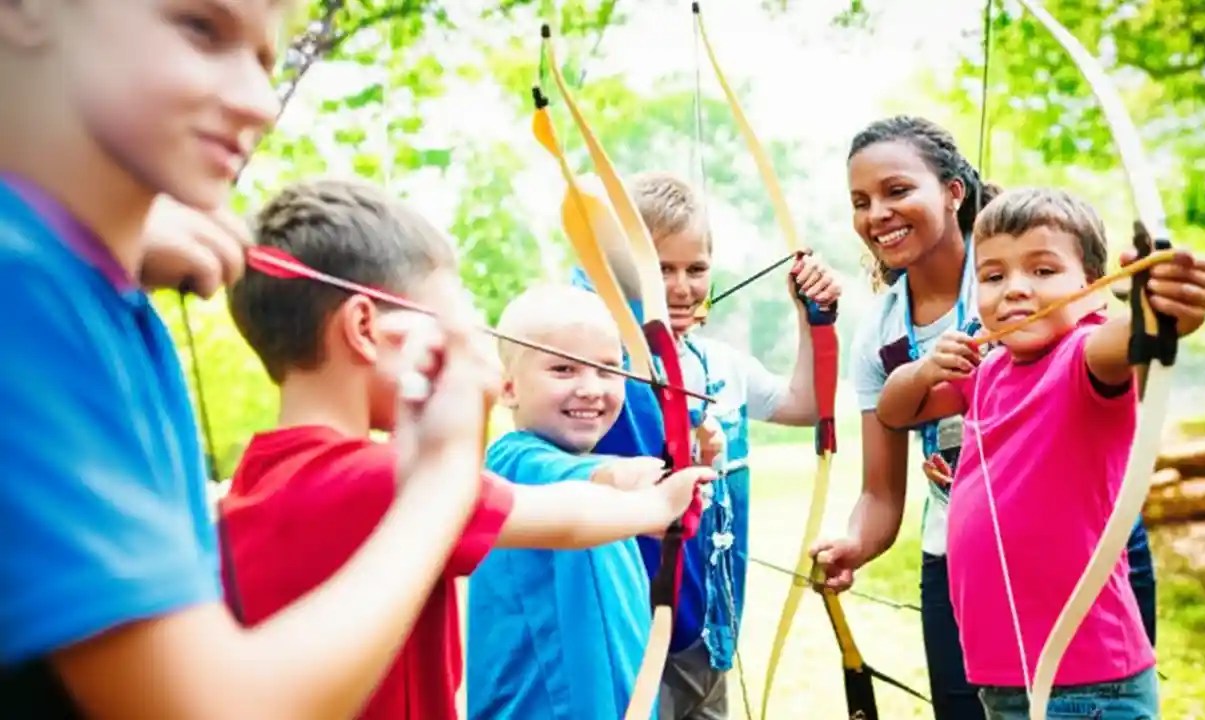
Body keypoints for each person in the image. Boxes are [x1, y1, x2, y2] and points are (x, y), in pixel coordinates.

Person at [0, 1, 495, 715]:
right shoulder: (28, 295)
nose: (259, 102)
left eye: (267, 59)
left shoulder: (85, 293)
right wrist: (442, 478)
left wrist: (116, 242)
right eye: (201, 28)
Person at [221, 181, 714, 720]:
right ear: (365, 328)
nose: (460, 346)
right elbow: (564, 514)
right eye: (442, 325)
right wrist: (659, 506)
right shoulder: (380, 481)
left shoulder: (248, 486)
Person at [808, 115, 1159, 719]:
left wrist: (1158, 306)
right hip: (969, 582)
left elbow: (1120, 343)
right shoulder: (887, 332)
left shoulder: (1028, 285)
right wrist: (854, 544)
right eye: (861, 202)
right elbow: (882, 481)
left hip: (1082, 562)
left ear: (953, 192)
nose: (878, 214)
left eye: (898, 190)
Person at [874, 187, 1205, 718]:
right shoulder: (988, 368)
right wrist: (923, 369)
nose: (1014, 290)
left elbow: (1134, 339)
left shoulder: (1083, 356)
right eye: (993, 277)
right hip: (1004, 677)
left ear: (1093, 288)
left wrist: (1161, 310)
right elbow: (896, 411)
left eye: (1042, 271)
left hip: (1086, 685)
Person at [576, 171, 843, 720]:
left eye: (695, 269)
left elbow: (803, 401)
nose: (680, 287)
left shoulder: (720, 362)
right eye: (658, 269)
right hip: (638, 617)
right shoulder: (609, 360)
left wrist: (809, 316)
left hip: (711, 615)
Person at [465, 283, 714, 719]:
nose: (590, 388)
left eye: (608, 369)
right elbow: (600, 480)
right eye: (563, 369)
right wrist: (648, 483)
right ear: (508, 388)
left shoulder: (594, 480)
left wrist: (689, 467)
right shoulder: (513, 461)